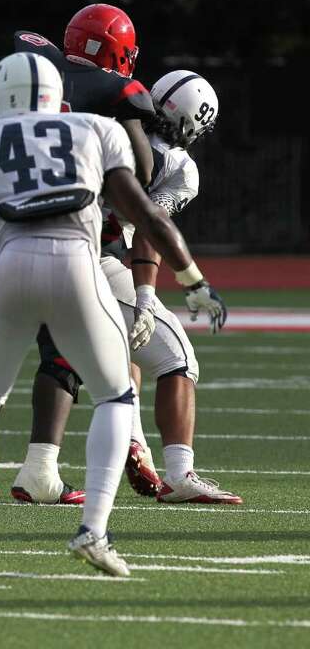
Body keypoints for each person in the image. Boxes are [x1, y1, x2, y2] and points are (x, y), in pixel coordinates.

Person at [0, 52, 226, 577]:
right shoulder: (96, 130)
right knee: (116, 393)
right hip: (80, 265)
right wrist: (192, 280)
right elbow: (145, 214)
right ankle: (93, 531)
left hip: (8, 266)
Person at [0, 3, 160, 504]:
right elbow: (143, 173)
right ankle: (45, 472)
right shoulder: (114, 95)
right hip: (67, 234)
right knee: (68, 356)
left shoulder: (29, 65)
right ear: (117, 52)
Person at [107, 70, 239, 504]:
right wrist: (146, 294)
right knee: (177, 358)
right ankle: (181, 474)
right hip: (95, 260)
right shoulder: (179, 166)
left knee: (124, 349)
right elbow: (151, 226)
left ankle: (130, 439)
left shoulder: (106, 125)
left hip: (24, 252)